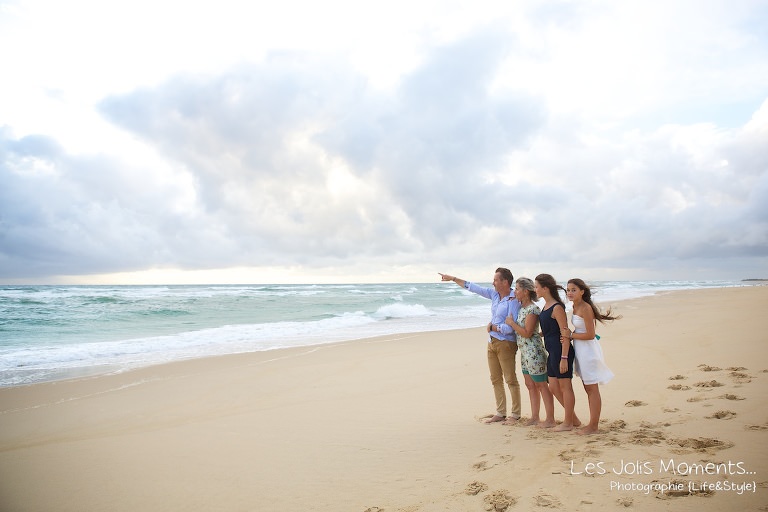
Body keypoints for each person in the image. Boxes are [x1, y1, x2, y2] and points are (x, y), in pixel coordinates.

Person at [439, 269, 522, 424]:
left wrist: (493, 327)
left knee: (510, 379)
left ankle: (515, 414)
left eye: (496, 280)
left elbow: (511, 327)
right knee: (495, 378)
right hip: (492, 342)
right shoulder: (494, 294)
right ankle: (500, 412)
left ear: (505, 282)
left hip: (506, 343)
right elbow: (473, 287)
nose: (493, 282)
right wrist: (454, 278)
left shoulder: (514, 300)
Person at [566, 278, 621, 435]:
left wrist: (571, 335)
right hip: (580, 349)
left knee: (591, 388)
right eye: (568, 290)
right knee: (587, 386)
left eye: (573, 290)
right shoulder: (574, 306)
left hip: (588, 351)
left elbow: (590, 334)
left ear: (582, 292)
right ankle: (592, 424)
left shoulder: (585, 308)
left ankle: (593, 426)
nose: (570, 292)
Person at [505, 277, 555, 427]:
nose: (515, 291)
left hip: (534, 352)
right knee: (530, 385)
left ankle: (550, 419)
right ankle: (534, 417)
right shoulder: (521, 308)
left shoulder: (533, 309)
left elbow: (527, 332)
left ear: (525, 291)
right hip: (525, 352)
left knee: (541, 385)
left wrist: (512, 323)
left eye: (517, 289)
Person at [535, 273, 581, 431]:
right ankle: (573, 419)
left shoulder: (557, 307)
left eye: (537, 287)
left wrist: (564, 357)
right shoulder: (546, 306)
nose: (535, 290)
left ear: (545, 288)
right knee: (553, 387)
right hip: (551, 351)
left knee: (565, 387)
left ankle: (568, 423)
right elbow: (549, 330)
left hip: (562, 351)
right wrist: (538, 334)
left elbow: (565, 332)